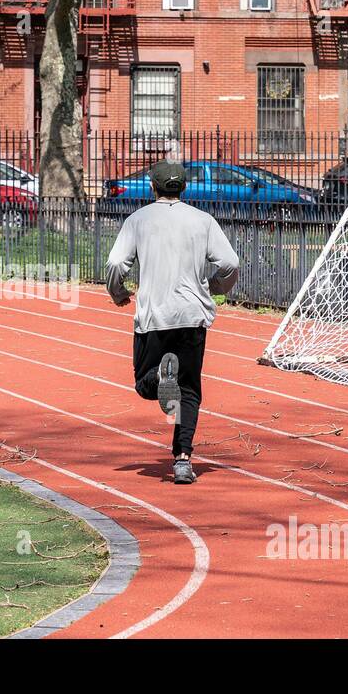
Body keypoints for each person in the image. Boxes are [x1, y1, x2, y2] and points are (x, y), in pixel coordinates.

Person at [105, 159, 240, 484]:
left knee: (144, 384)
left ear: (153, 187)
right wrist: (216, 287)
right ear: (184, 188)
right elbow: (230, 262)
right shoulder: (202, 220)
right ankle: (182, 460)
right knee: (189, 390)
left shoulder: (139, 220)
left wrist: (118, 292)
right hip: (192, 315)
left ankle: (158, 376)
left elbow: (115, 262)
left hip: (154, 315)